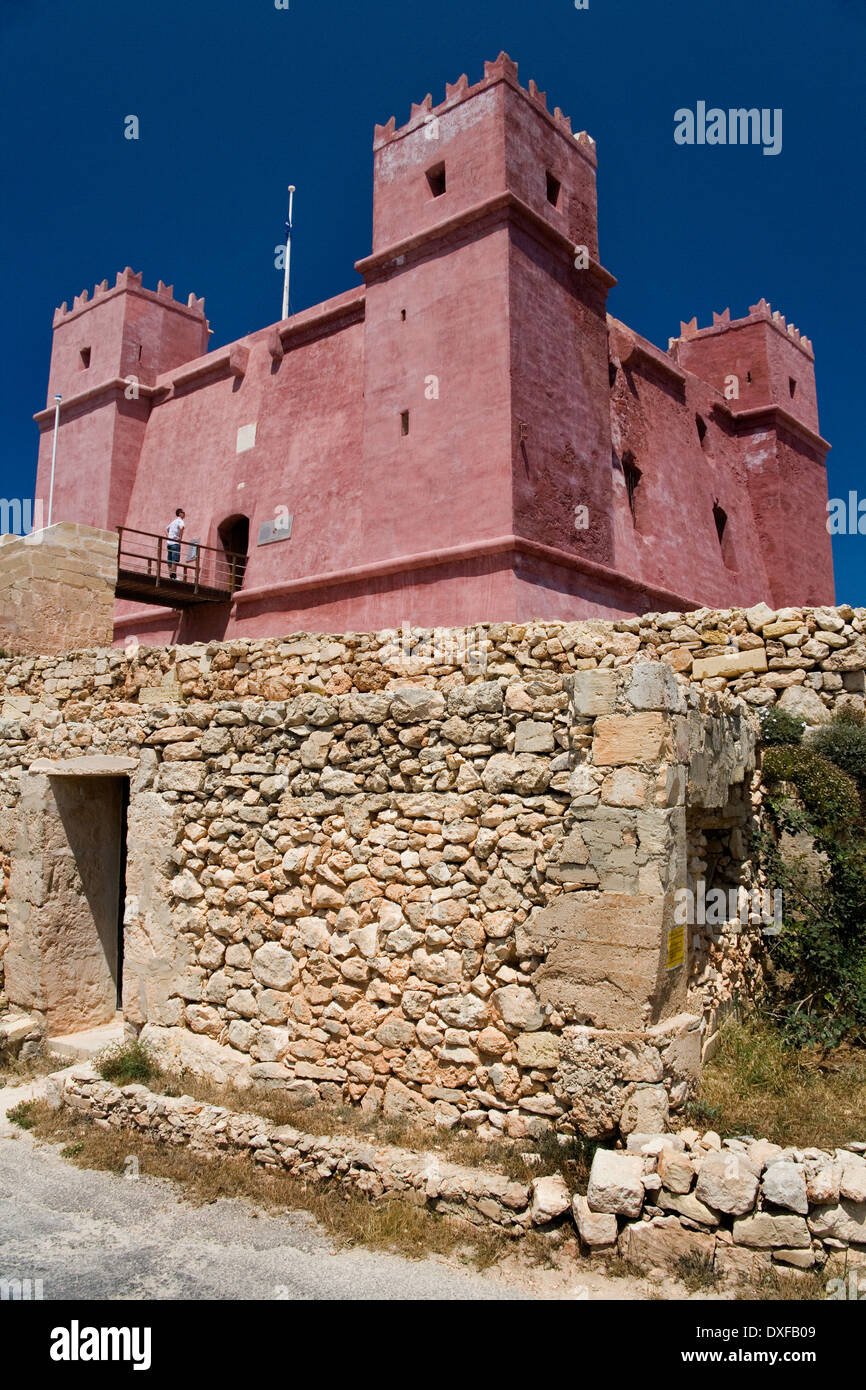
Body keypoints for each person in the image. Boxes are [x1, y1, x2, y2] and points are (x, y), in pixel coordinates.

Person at [166, 509, 185, 578]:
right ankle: (173, 576)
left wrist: (169, 537)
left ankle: (170, 576)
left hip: (169, 543)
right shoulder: (180, 521)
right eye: (183, 512)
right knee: (175, 560)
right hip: (175, 543)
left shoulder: (174, 522)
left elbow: (165, 529)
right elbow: (181, 528)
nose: (184, 514)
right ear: (180, 513)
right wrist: (180, 538)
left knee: (170, 560)